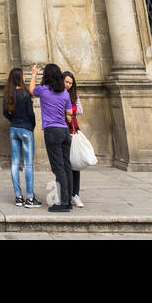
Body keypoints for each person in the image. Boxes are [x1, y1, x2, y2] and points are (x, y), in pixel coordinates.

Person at [30, 63, 73, 212]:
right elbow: (69, 113)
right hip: (65, 131)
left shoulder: (43, 90)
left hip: (52, 131)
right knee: (67, 166)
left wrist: (34, 74)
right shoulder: (65, 93)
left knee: (58, 168)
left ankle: (61, 203)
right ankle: (68, 201)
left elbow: (31, 90)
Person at [2, 68, 40, 207]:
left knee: (15, 163)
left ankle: (18, 197)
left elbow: (5, 112)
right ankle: (30, 198)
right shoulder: (25, 94)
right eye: (23, 76)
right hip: (26, 129)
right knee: (28, 164)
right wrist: (32, 125)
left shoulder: (8, 94)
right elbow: (31, 114)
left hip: (14, 129)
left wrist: (14, 120)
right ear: (20, 78)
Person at [64, 70, 85, 208]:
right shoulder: (58, 93)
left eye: (70, 83)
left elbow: (81, 110)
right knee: (64, 165)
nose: (68, 85)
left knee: (75, 164)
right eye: (66, 82)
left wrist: (70, 111)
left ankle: (75, 194)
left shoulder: (73, 95)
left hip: (72, 131)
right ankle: (66, 193)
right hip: (61, 131)